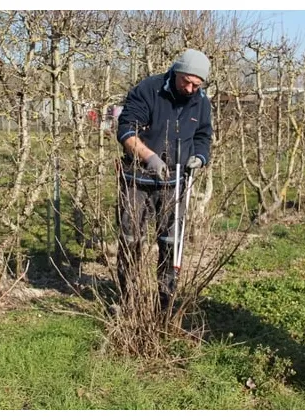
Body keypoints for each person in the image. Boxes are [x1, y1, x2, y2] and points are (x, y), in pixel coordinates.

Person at [115, 49, 213, 310]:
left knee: (171, 246)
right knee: (130, 240)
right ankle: (129, 302)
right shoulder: (149, 90)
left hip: (175, 184)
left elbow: (203, 136)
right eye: (187, 82)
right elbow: (126, 130)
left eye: (197, 84)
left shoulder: (201, 102)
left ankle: (165, 304)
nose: (191, 88)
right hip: (137, 179)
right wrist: (150, 158)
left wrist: (200, 157)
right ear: (176, 71)